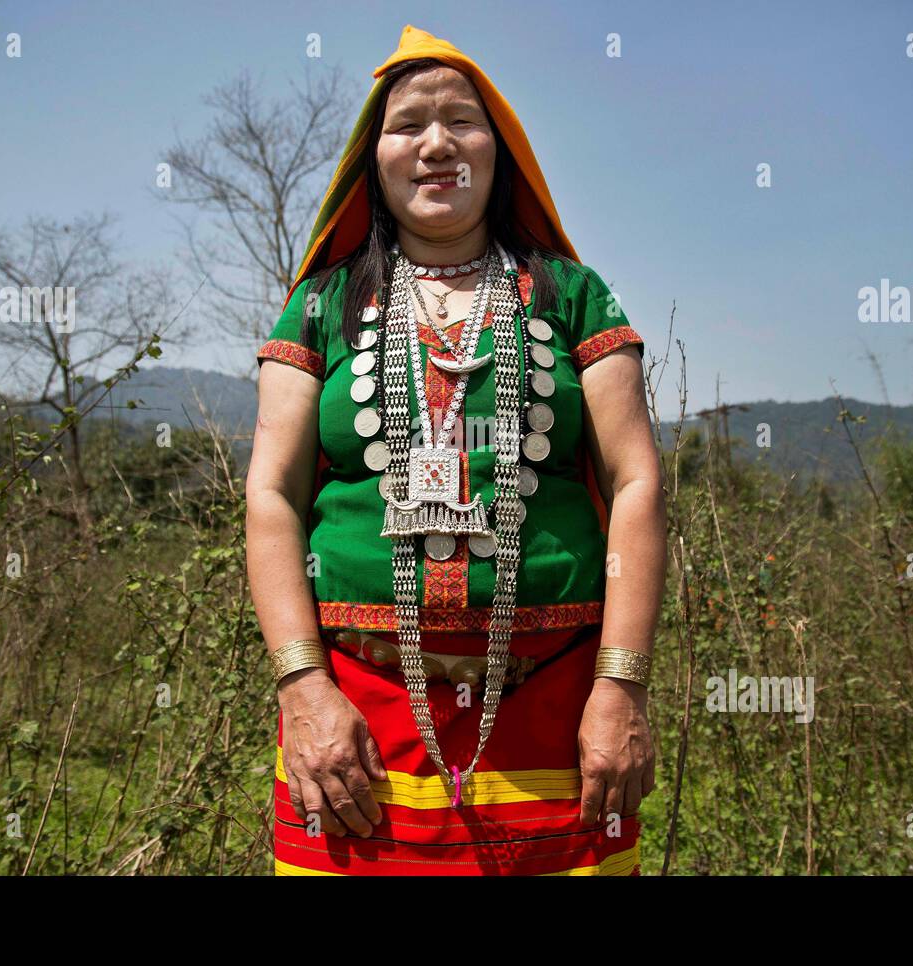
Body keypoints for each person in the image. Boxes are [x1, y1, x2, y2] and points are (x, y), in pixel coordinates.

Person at [245, 23, 666, 876]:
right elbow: (271, 498)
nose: (436, 143)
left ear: (501, 151)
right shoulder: (323, 305)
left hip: (557, 711)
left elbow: (636, 485)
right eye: (407, 126)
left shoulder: (573, 295)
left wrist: (619, 690)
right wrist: (303, 689)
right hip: (354, 722)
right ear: (376, 159)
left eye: (462, 121)